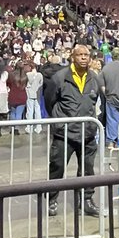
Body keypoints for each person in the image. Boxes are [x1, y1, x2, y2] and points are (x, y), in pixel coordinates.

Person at [43, 44, 103, 217]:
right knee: (57, 167)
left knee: (87, 169)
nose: (83, 58)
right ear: (72, 57)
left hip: (87, 133)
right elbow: (49, 101)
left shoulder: (94, 78)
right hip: (65, 133)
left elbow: (95, 101)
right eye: (80, 55)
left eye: (86, 55)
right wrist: (59, 121)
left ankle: (86, 200)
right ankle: (52, 199)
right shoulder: (60, 78)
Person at [25, 61, 45, 132]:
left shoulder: (27, 74)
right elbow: (41, 84)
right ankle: (39, 127)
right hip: (37, 94)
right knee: (38, 110)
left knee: (30, 111)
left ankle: (29, 127)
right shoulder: (40, 75)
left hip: (29, 93)